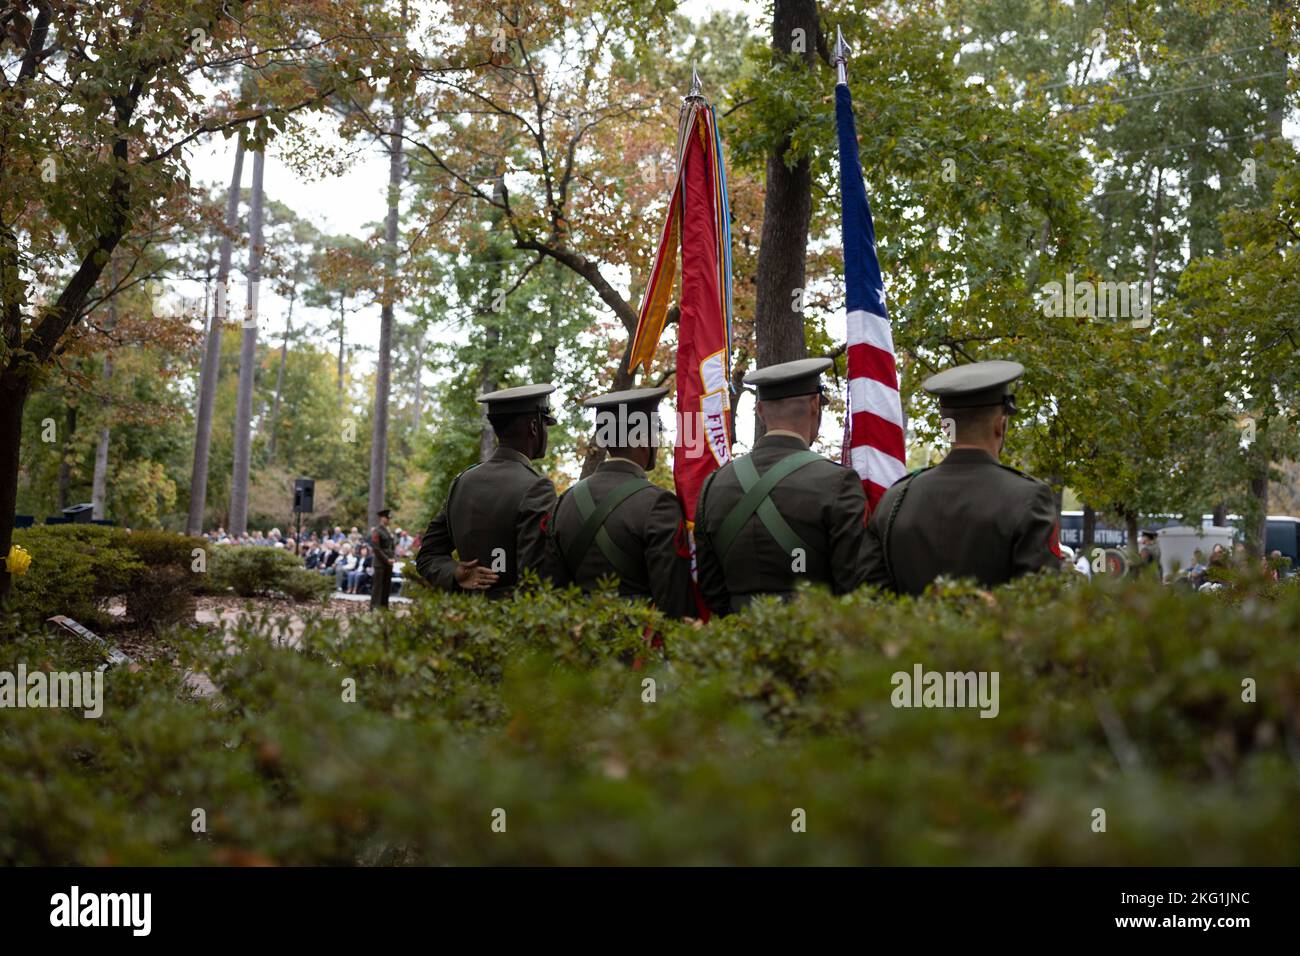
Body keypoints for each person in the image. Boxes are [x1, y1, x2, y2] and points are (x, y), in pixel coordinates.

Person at [863, 360, 1061, 595]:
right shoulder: (1029, 498)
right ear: (1001, 424)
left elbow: (872, 595)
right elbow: (1042, 601)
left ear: (946, 428)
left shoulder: (895, 499)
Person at [693, 358, 869, 615]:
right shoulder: (838, 482)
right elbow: (853, 584)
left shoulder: (714, 484)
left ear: (760, 411)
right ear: (814, 405)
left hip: (734, 645)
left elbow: (710, 587)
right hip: (816, 642)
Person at [547, 387, 696, 619]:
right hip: (638, 642)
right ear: (645, 439)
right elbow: (673, 598)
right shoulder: (658, 503)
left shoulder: (564, 501)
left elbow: (553, 587)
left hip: (575, 642)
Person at [416, 383, 561, 597]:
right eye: (545, 425)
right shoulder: (537, 488)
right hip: (512, 622)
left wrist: (455, 572)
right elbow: (538, 578)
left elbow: (427, 556)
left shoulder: (462, 482)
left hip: (463, 620)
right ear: (533, 427)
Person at [370, 509, 396, 608]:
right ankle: (374, 607)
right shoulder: (377, 531)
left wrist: (393, 557)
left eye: (389, 518)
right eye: (387, 518)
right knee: (378, 586)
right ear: (381, 518)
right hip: (380, 562)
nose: (388, 520)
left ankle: (384, 607)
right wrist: (387, 559)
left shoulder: (388, 531)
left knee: (386, 585)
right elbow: (376, 549)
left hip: (389, 562)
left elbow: (391, 547)